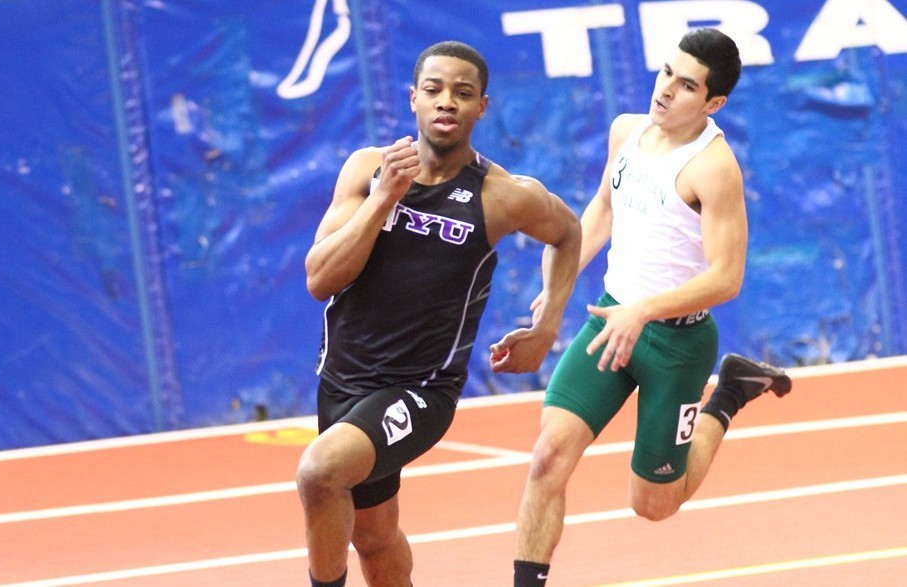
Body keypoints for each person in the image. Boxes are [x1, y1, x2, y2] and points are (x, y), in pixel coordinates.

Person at [512, 28, 792, 586]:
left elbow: (727, 278)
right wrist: (559, 286)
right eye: (666, 72)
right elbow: (602, 209)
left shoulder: (713, 169)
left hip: (676, 344)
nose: (665, 89)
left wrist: (643, 311)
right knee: (548, 457)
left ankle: (729, 394)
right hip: (610, 319)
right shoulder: (627, 130)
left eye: (686, 85)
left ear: (713, 103)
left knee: (654, 505)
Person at [297, 40, 582, 587]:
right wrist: (383, 200)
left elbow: (568, 232)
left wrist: (547, 325)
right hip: (340, 382)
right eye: (434, 89)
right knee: (374, 538)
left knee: (319, 471)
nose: (447, 101)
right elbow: (320, 279)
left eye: (463, 93)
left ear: (482, 107)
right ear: (414, 99)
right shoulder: (368, 170)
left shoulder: (501, 196)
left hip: (419, 390)